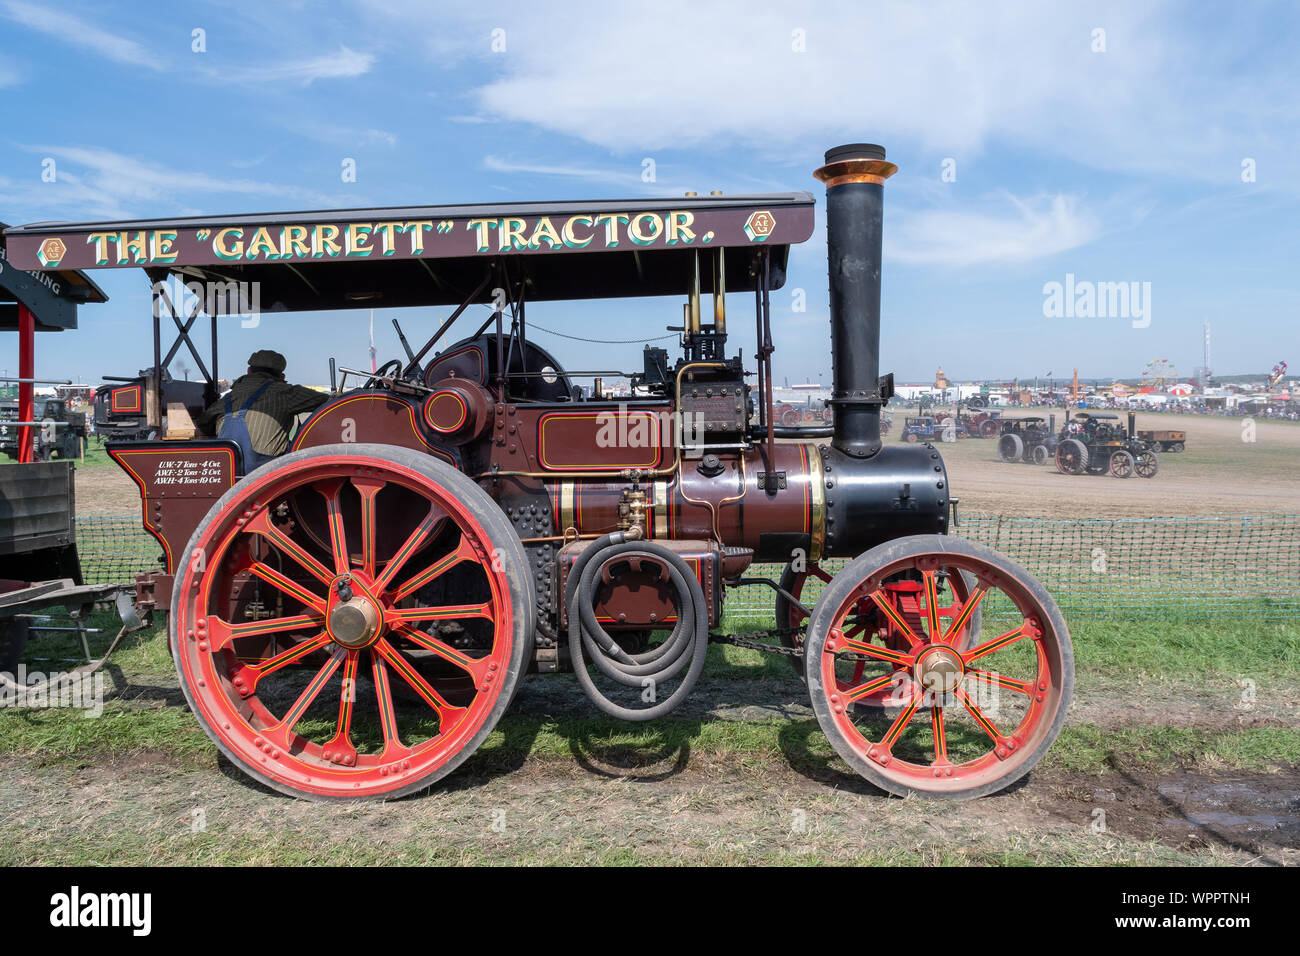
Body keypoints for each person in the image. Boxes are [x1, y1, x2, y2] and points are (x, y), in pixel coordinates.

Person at [198, 349, 328, 471]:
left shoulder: (228, 397)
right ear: (282, 376)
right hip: (267, 474)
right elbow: (325, 400)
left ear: (249, 371)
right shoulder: (285, 393)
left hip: (227, 473)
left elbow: (204, 423)